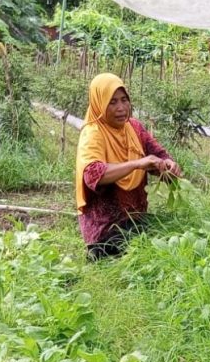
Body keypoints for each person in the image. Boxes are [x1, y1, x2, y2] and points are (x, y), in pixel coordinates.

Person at [75, 73, 182, 260]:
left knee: (170, 241)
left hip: (136, 220)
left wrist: (169, 166)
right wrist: (137, 164)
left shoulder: (134, 128)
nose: (121, 108)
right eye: (112, 102)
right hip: (106, 230)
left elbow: (159, 155)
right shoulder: (93, 133)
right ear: (99, 103)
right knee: (145, 253)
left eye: (124, 100)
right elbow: (93, 175)